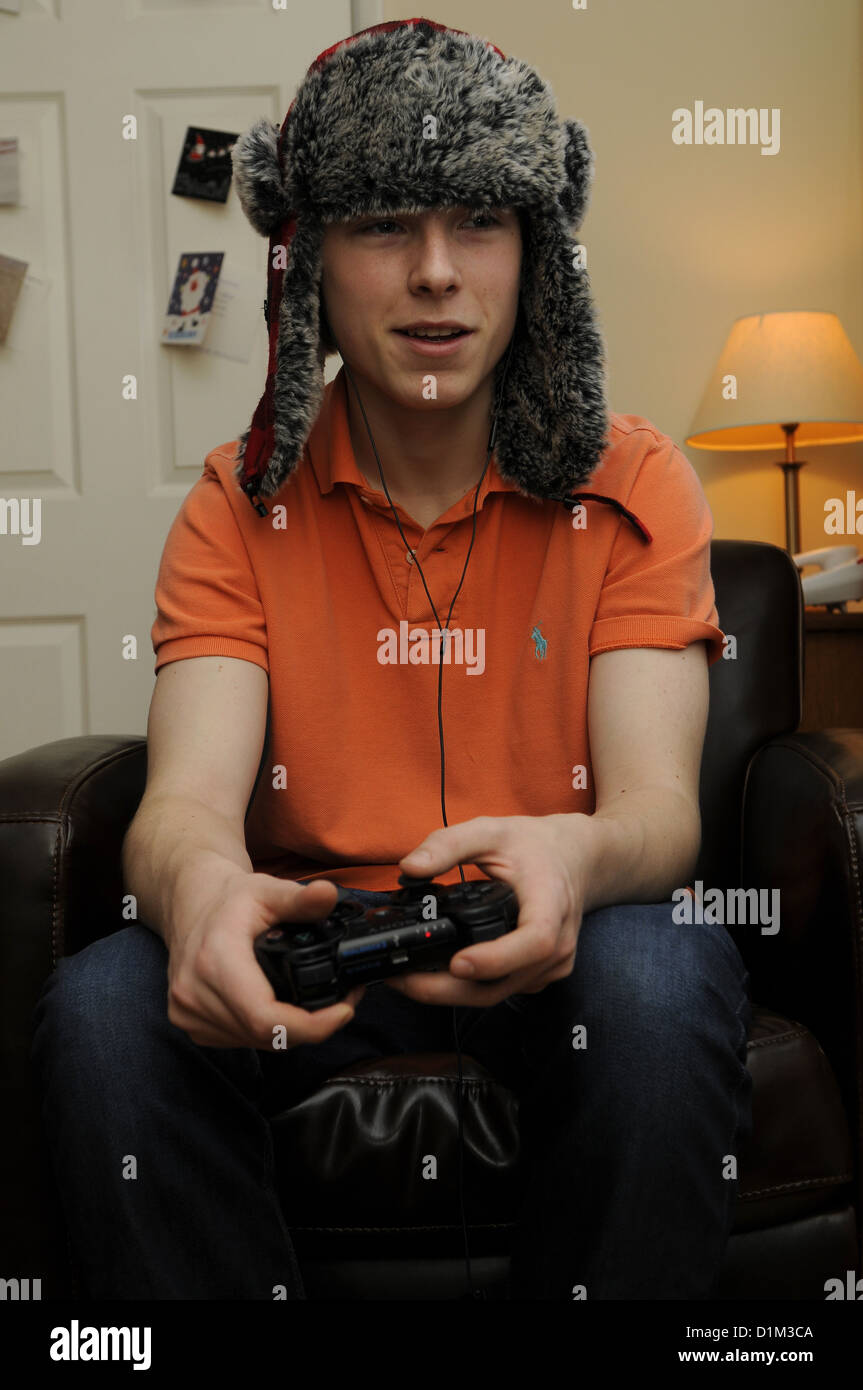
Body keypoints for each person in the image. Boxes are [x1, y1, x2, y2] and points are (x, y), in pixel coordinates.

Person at [31, 16, 752, 1301]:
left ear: (533, 253)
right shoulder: (234, 504)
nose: (435, 273)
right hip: (316, 941)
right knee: (99, 1005)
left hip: (558, 933)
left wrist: (572, 854)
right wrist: (198, 892)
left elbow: (658, 813)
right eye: (382, 226)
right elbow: (187, 804)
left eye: (477, 221)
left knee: (665, 963)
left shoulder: (636, 482)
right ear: (308, 262)